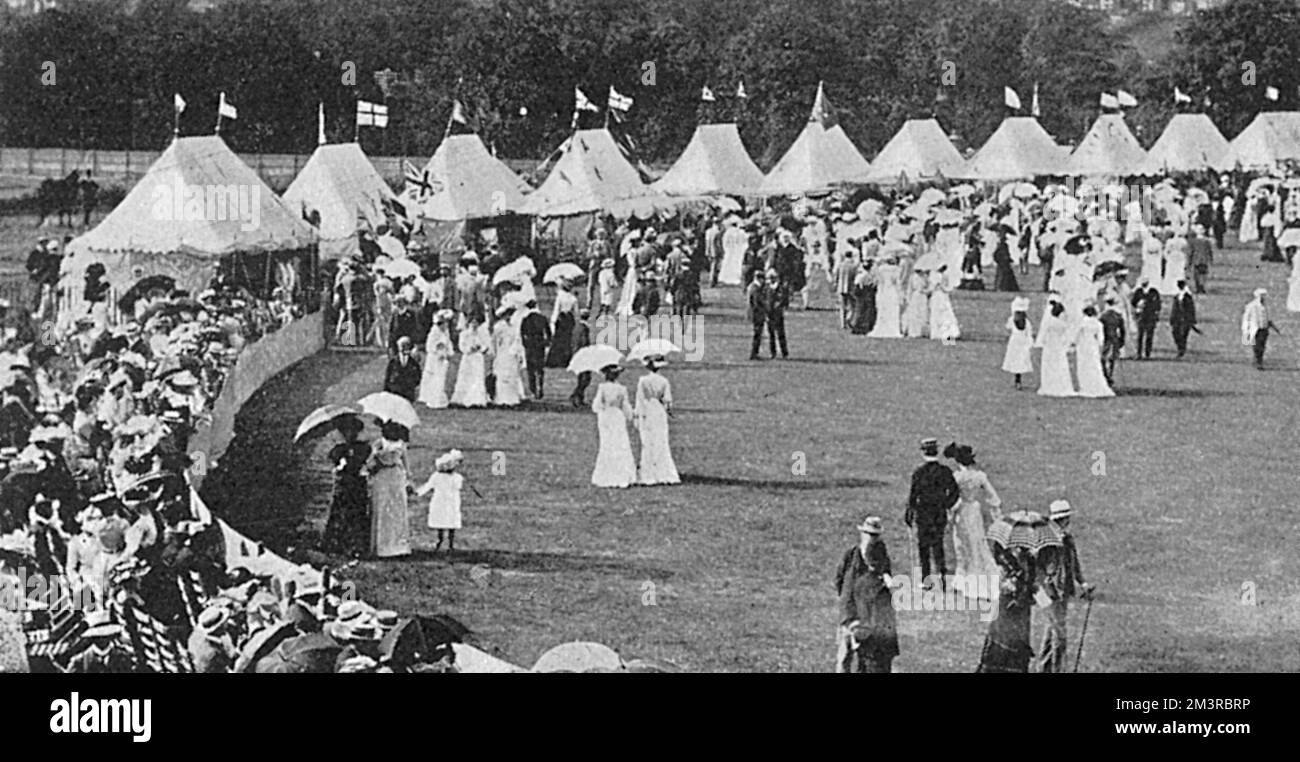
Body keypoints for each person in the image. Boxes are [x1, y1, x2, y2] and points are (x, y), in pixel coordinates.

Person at [833, 516, 899, 673]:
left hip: (869, 620)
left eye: (875, 535)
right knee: (844, 658)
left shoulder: (881, 558)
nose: (872, 538)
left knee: (868, 660)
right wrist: (848, 615)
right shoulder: (850, 555)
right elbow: (839, 581)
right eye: (869, 534)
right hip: (849, 615)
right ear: (862, 534)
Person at [1039, 500, 1094, 673]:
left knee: (1053, 631)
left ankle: (1044, 668)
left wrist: (1082, 583)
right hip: (1050, 592)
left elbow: (1074, 563)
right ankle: (1058, 670)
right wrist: (1046, 584)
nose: (1067, 521)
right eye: (1065, 518)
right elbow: (1038, 567)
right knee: (1060, 635)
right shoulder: (1046, 540)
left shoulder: (1068, 539)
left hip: (1063, 590)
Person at [944, 443, 1002, 600]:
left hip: (962, 512)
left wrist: (949, 515)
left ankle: (964, 580)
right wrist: (996, 513)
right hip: (974, 511)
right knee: (976, 543)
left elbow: (951, 498)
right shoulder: (980, 476)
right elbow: (993, 497)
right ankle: (964, 580)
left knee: (961, 545)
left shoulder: (957, 477)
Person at [905, 438, 959, 590]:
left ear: (923, 452)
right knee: (938, 546)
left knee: (923, 547)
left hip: (923, 514)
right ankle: (942, 577)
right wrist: (946, 504)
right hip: (939, 513)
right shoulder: (945, 471)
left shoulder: (919, 473)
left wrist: (910, 513)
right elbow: (954, 492)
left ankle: (926, 580)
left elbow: (913, 495)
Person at [976, 545, 1035, 673]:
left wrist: (1024, 591)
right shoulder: (1005, 556)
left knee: (1017, 639)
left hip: (1021, 606)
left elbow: (1031, 581)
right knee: (1001, 635)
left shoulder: (1029, 558)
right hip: (1006, 603)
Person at [323, 417, 371, 557]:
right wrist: (340, 461)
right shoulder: (338, 450)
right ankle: (337, 544)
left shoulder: (362, 448)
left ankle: (356, 546)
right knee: (340, 513)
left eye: (354, 431)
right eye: (347, 431)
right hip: (344, 485)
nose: (351, 434)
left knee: (357, 514)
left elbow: (361, 462)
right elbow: (336, 465)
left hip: (356, 485)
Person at [366, 422, 411, 558]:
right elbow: (369, 463)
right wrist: (377, 457)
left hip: (396, 478)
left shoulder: (401, 444)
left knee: (396, 509)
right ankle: (382, 546)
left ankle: (398, 546)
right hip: (382, 477)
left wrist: (408, 479)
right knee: (382, 508)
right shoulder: (379, 443)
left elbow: (406, 465)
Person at [634, 355, 679, 486]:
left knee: (648, 441)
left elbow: (639, 399)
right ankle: (662, 471)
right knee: (660, 440)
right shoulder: (664, 381)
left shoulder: (643, 381)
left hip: (647, 409)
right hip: (658, 411)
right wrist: (669, 411)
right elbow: (667, 401)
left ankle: (648, 472)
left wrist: (637, 415)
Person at [590, 364, 637, 488]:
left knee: (607, 444)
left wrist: (603, 407)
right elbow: (626, 407)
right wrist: (631, 416)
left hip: (606, 416)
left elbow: (596, 406)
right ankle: (622, 474)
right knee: (620, 443)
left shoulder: (602, 387)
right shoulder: (621, 389)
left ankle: (607, 474)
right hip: (617, 416)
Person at [416, 449, 465, 553]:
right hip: (452, 502)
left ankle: (440, 540)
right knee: (451, 523)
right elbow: (458, 487)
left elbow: (427, 487)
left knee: (441, 522)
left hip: (439, 501)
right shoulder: (457, 477)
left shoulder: (436, 476)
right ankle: (450, 543)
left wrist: (417, 492)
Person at [450, 310, 490, 407]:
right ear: (469, 323)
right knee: (466, 376)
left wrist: (480, 348)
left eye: (476, 322)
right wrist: (469, 349)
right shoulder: (464, 334)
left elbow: (486, 344)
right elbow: (461, 346)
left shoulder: (481, 334)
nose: (474, 324)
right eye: (472, 322)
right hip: (468, 358)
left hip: (477, 357)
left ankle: (477, 399)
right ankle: (463, 399)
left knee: (477, 377)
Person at [1037, 301, 1077, 397]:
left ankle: (1048, 385)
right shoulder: (1062, 324)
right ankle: (1060, 385)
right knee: (1059, 364)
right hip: (1058, 346)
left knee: (1049, 364)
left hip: (1049, 345)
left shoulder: (1049, 322)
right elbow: (1066, 336)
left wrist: (1042, 342)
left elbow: (1043, 334)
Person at [417, 310, 455, 409]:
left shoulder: (445, 332)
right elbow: (429, 346)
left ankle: (440, 399)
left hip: (443, 358)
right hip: (434, 358)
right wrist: (437, 349)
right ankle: (433, 400)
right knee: (435, 378)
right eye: (443, 323)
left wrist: (449, 352)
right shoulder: (434, 331)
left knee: (441, 378)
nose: (445, 325)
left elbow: (448, 342)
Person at [491, 305, 526, 407]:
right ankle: (501, 398)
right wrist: (495, 354)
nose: (509, 317)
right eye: (507, 315)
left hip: (512, 353)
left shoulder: (513, 327)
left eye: (510, 314)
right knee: (502, 375)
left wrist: (519, 353)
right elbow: (494, 341)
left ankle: (512, 398)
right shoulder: (498, 327)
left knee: (512, 375)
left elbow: (517, 340)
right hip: (502, 352)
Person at [1075, 306, 1114, 398]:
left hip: (1083, 345)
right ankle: (1096, 385)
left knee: (1083, 366)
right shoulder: (1098, 323)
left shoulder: (1082, 322)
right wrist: (1100, 349)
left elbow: (1076, 335)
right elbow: (1101, 339)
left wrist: (1074, 343)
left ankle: (1085, 386)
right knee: (1094, 366)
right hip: (1093, 345)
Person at [188, 605, 237, 673]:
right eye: (224, 622)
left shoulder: (196, 635)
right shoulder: (211, 653)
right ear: (218, 628)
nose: (226, 623)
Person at [519, 299, 551, 400]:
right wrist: (546, 342)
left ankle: (532, 388)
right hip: (539, 344)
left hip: (530, 345)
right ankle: (539, 386)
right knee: (540, 368)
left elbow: (522, 333)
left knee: (530, 368)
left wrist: (525, 344)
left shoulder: (525, 319)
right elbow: (548, 332)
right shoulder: (542, 318)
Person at [1241, 288, 1279, 370]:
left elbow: (1267, 317)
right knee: (1257, 346)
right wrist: (1245, 329)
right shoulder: (1251, 306)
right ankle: (1258, 362)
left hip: (1264, 329)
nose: (1263, 297)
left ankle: (1258, 360)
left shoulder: (1265, 306)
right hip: (1255, 329)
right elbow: (1246, 318)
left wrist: (1272, 326)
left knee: (1262, 346)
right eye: (1262, 296)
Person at [1001, 296, 1033, 390]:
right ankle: (1018, 380)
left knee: (1016, 362)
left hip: (1015, 343)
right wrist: (1029, 343)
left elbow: (1008, 327)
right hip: (1022, 343)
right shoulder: (1027, 322)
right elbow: (1029, 333)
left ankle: (1017, 380)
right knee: (1020, 362)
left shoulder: (1012, 320)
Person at [546, 279, 579, 369]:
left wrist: (553, 320)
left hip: (561, 318)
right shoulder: (573, 298)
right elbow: (576, 312)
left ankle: (555, 360)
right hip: (569, 319)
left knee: (558, 339)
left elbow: (556, 310)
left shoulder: (560, 297)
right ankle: (565, 360)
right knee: (567, 340)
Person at [867, 256, 902, 338]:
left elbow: (880, 281)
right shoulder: (896, 269)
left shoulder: (881, 269)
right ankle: (892, 328)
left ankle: (883, 326)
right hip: (892, 290)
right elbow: (897, 282)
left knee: (884, 309)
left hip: (884, 290)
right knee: (892, 309)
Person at [762, 269, 790, 359]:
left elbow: (784, 300)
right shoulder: (766, 288)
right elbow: (764, 300)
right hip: (769, 313)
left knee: (781, 334)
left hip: (778, 314)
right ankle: (772, 352)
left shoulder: (781, 288)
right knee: (771, 335)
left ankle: (784, 352)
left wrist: (779, 306)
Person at [383, 336, 421, 402]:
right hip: (395, 391)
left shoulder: (413, 362)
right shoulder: (393, 362)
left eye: (407, 345)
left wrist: (413, 384)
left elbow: (418, 375)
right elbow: (388, 376)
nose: (405, 347)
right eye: (403, 345)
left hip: (408, 392)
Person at [928, 267, 960, 344]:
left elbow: (947, 288)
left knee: (944, 314)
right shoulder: (935, 276)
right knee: (939, 314)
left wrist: (940, 287)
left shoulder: (942, 276)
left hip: (941, 296)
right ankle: (939, 334)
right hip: (938, 296)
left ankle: (946, 334)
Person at [1131, 278, 1161, 360]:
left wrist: (1152, 308)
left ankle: (1148, 353)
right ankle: (1139, 353)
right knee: (1140, 335)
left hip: (1150, 316)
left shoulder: (1153, 292)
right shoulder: (1138, 291)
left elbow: (1157, 304)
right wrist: (1138, 304)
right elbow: (1133, 302)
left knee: (1149, 335)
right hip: (1141, 316)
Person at [569, 309, 593, 408]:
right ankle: (576, 395)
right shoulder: (584, 328)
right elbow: (584, 341)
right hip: (583, 355)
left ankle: (579, 397)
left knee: (581, 378)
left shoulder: (576, 327)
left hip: (576, 354)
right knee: (586, 378)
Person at [1099, 298, 1126, 385]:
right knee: (1112, 359)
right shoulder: (1118, 316)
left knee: (1103, 358)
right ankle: (1109, 374)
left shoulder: (1103, 316)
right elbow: (1123, 330)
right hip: (1114, 339)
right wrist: (1122, 340)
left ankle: (1106, 375)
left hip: (1106, 339)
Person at [834, 245, 860, 330]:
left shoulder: (840, 265)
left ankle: (843, 323)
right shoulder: (853, 266)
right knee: (853, 305)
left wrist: (836, 284)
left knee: (842, 306)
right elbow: (855, 277)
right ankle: (849, 318)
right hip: (850, 288)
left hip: (841, 287)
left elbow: (836, 276)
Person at [1169, 280, 1197, 359]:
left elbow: (1191, 309)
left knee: (1183, 335)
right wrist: (1172, 318)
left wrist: (1192, 320)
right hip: (1177, 319)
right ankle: (1180, 347)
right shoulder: (1177, 296)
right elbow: (1174, 309)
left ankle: (1181, 350)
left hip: (1185, 320)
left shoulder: (1188, 297)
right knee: (1175, 333)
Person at [849, 258, 877, 335]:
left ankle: (856, 325)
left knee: (859, 309)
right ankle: (864, 325)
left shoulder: (861, 276)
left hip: (861, 293)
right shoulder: (870, 276)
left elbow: (856, 285)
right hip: (867, 292)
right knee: (866, 310)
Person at [746, 270, 769, 361]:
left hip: (754, 313)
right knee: (757, 334)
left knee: (757, 334)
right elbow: (757, 302)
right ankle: (754, 353)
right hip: (757, 314)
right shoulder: (755, 288)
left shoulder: (751, 287)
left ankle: (755, 353)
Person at [900, 267, 928, 338]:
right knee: (914, 313)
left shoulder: (925, 277)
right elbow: (910, 288)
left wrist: (925, 290)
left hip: (922, 296)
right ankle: (913, 331)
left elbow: (927, 287)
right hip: (915, 296)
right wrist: (908, 298)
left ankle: (921, 331)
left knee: (922, 313)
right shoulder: (913, 277)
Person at [1188, 225, 1214, 294]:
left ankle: (1198, 287)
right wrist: (1211, 260)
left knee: (1196, 275)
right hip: (1204, 259)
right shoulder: (1206, 241)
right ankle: (1202, 287)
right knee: (1203, 274)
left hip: (1196, 259)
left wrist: (1189, 261)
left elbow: (1191, 251)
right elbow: (1209, 251)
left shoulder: (1194, 241)